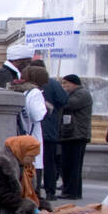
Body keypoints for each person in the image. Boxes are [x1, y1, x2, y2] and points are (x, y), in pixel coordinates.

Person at [58, 73, 92, 200]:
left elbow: (68, 104)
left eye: (65, 83)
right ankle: (73, 191)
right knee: (69, 164)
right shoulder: (76, 93)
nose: (64, 86)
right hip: (71, 134)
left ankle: (71, 192)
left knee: (72, 165)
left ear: (73, 83)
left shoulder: (82, 94)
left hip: (76, 135)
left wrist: (59, 95)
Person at [13, 63, 49, 174]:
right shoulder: (36, 93)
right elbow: (37, 116)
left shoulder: (25, 92)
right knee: (35, 168)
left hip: (24, 136)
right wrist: (45, 109)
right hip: (33, 138)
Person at [39, 68, 69, 200]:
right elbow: (63, 99)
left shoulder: (24, 84)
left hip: (31, 131)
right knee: (49, 161)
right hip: (49, 128)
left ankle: (33, 191)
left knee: (33, 162)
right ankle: (50, 191)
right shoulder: (52, 83)